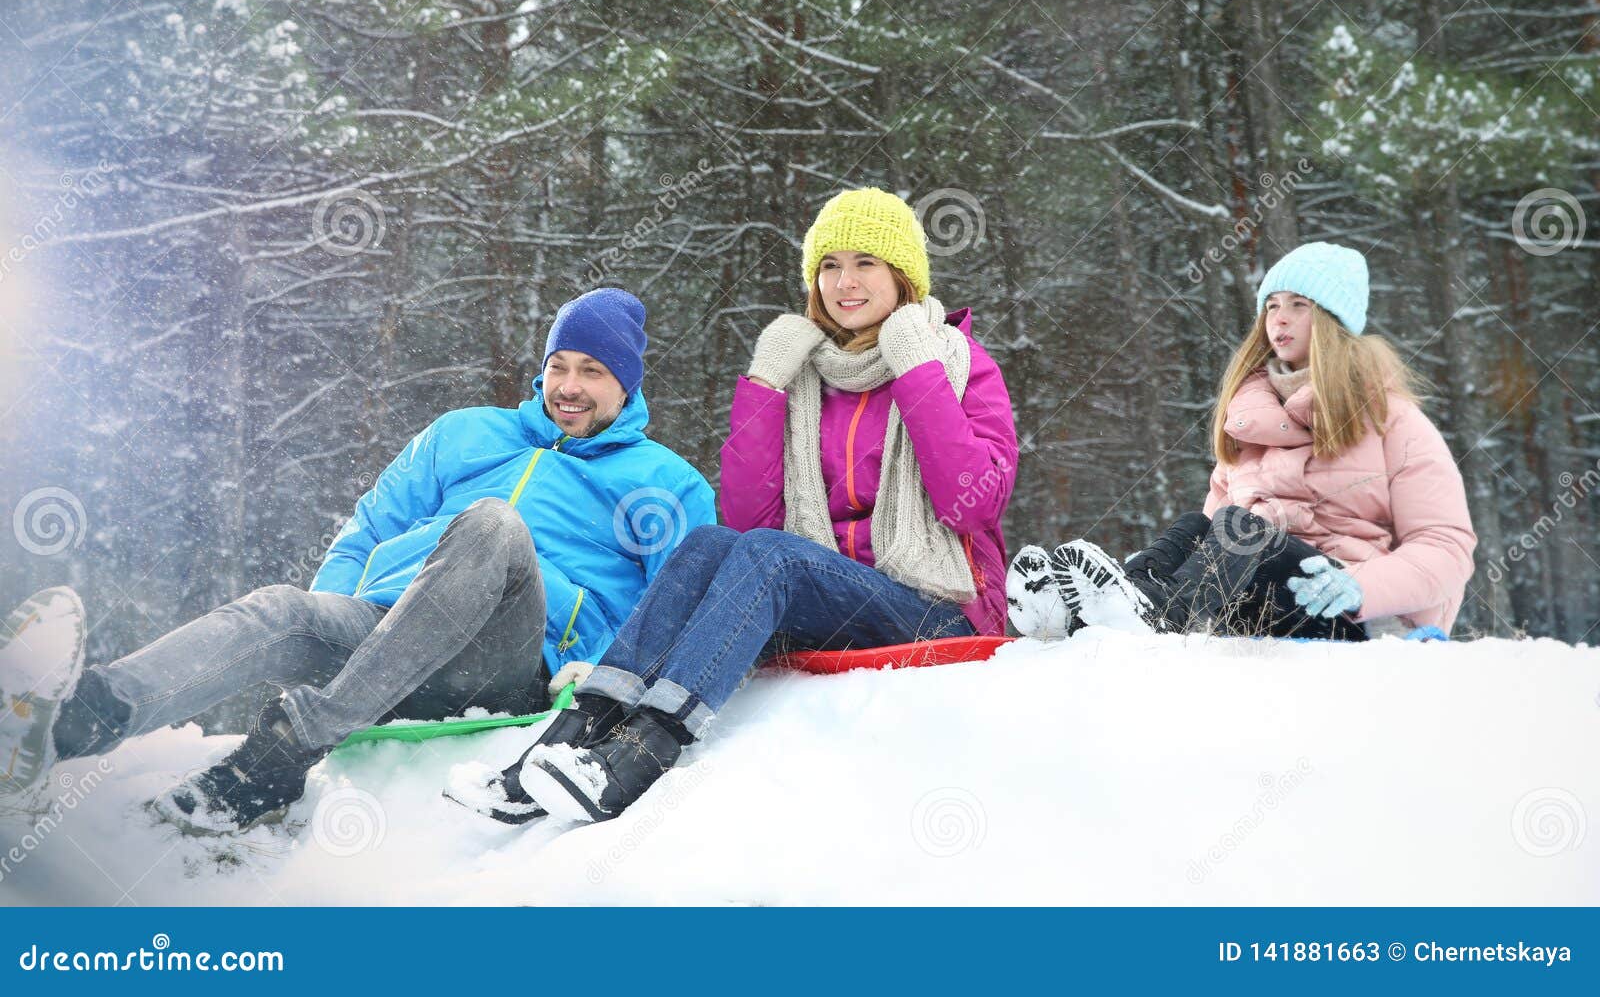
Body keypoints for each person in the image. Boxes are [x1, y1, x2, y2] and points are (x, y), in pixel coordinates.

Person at [0, 288, 716, 832]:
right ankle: (72, 723)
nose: (568, 385)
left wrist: (591, 679)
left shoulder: (665, 483)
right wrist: (334, 615)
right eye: (558, 365)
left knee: (495, 528)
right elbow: (368, 529)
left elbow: (677, 607)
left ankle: (286, 752)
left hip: (504, 662)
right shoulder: (463, 434)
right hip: (383, 629)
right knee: (278, 609)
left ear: (627, 384)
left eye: (592, 371)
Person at [460, 186, 1018, 825]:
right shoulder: (809, 377)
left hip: (937, 609)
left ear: (904, 276)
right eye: (829, 265)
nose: (846, 281)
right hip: (829, 598)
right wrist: (766, 385)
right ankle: (565, 744)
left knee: (772, 558)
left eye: (866, 262)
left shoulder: (957, 365)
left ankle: (644, 751)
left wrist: (916, 369)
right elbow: (751, 523)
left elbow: (972, 508)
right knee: (708, 546)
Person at [1008, 241, 1476, 642]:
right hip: (1258, 599)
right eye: (1271, 305)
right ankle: (1094, 612)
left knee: (1237, 526)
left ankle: (1158, 622)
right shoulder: (1251, 424)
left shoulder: (1392, 419)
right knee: (1197, 527)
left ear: (1334, 321)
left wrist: (1361, 586)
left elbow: (1446, 546)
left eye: (1299, 304)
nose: (1280, 318)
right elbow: (1210, 544)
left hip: (1346, 611)